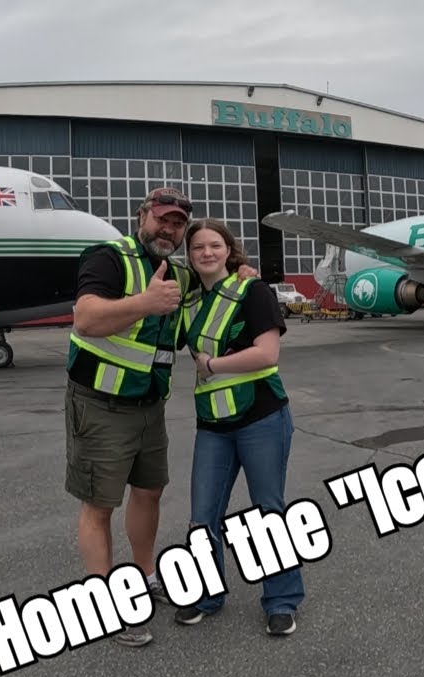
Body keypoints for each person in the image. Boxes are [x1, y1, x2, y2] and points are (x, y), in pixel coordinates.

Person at [65, 187, 256, 648]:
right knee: (99, 505)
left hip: (149, 406)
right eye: (162, 219)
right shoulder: (109, 258)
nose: (168, 229)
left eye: (177, 224)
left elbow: (215, 277)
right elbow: (86, 319)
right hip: (100, 403)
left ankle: (146, 575)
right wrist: (145, 303)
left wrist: (242, 270)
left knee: (149, 492)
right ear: (142, 215)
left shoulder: (182, 275)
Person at [172, 218, 303, 637]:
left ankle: (281, 601)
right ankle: (208, 594)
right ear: (189, 257)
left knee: (269, 512)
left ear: (229, 251)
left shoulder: (254, 291)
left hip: (262, 417)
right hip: (212, 423)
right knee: (202, 516)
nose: (207, 253)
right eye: (198, 248)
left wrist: (213, 365)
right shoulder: (189, 302)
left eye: (215, 246)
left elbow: (266, 354)